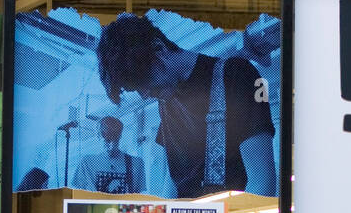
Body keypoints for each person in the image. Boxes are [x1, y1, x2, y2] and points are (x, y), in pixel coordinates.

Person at [97, 13, 276, 198]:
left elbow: (262, 182)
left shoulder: (238, 75)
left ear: (159, 49)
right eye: (135, 89)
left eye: (143, 80)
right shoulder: (165, 103)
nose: (145, 95)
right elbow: (174, 178)